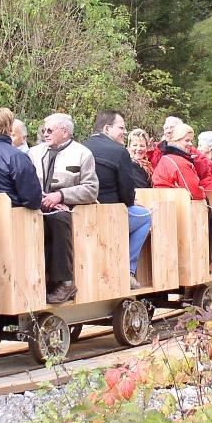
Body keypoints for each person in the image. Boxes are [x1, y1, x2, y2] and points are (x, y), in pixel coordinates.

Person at [29, 113, 98, 304]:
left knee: (57, 219)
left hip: (69, 211)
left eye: (49, 130)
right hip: (38, 206)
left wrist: (62, 195)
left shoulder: (83, 154)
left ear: (65, 132)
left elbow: (91, 189)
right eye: (44, 130)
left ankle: (65, 282)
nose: (45, 134)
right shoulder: (34, 153)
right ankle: (35, 281)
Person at [83, 110, 152, 289]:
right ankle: (127, 270)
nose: (124, 132)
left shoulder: (81, 147)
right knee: (144, 215)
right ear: (107, 128)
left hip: (81, 213)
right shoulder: (119, 152)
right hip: (109, 214)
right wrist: (131, 203)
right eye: (121, 127)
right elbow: (127, 192)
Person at [152, 122, 212, 242]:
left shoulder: (166, 158)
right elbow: (194, 192)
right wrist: (203, 194)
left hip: (167, 208)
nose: (190, 144)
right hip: (180, 210)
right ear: (176, 140)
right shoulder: (179, 161)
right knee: (210, 216)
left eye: (190, 141)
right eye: (186, 140)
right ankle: (204, 258)